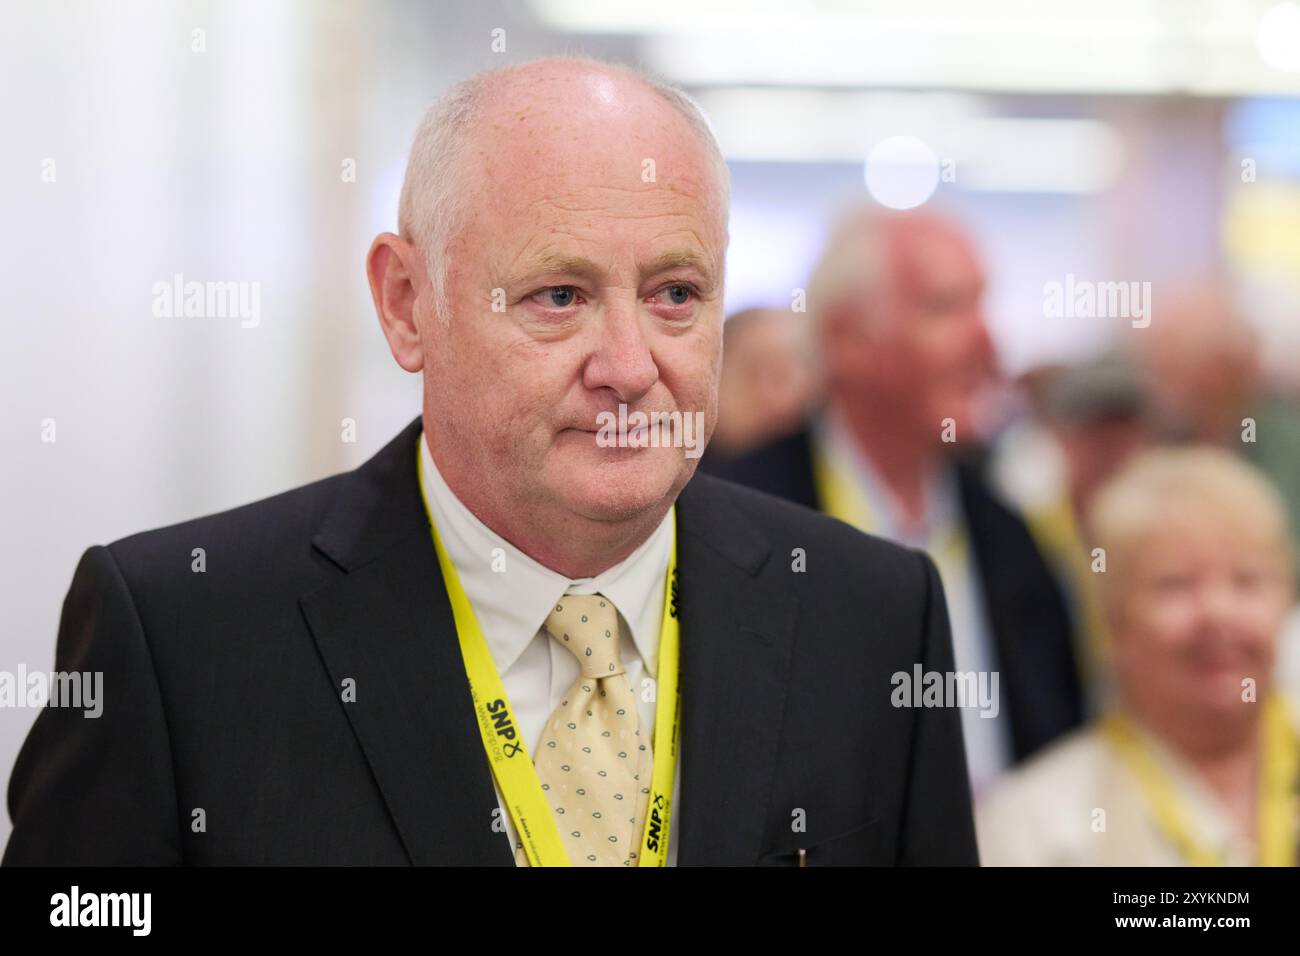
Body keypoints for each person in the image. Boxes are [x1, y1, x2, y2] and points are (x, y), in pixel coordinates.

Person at [3, 56, 977, 866]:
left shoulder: (873, 615)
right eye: (558, 295)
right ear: (404, 302)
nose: (631, 366)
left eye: (676, 293)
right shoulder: (184, 637)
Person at [704, 207, 1084, 797]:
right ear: (848, 339)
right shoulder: (732, 521)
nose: (987, 339)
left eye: (984, 305)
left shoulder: (1009, 535)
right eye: (947, 308)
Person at [977, 447, 1300, 866]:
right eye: (1176, 584)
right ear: (1111, 624)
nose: (1218, 614)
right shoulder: (1035, 827)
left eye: (1247, 581)